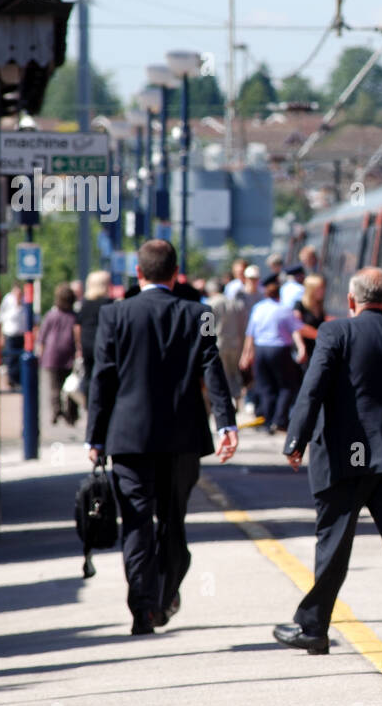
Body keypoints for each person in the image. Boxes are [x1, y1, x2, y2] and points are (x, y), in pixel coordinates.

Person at [273, 267, 382, 654]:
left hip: (341, 461)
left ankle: (313, 628)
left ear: (351, 301)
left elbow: (312, 387)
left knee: (332, 547)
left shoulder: (335, 333)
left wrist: (295, 439)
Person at [86, 239, 238, 635]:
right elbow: (213, 369)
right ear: (175, 275)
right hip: (182, 438)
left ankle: (143, 608)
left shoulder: (114, 315)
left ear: (138, 274)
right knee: (173, 521)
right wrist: (226, 424)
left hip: (129, 440)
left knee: (137, 523)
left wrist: (95, 438)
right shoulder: (198, 314)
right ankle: (166, 593)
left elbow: (102, 378)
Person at [240, 273, 304, 433]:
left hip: (261, 349)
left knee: (265, 386)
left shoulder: (258, 308)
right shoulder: (285, 310)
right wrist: (301, 347)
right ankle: (280, 420)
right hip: (280, 350)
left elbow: (250, 334)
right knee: (286, 386)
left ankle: (267, 421)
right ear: (279, 294)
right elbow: (296, 330)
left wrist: (246, 354)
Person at [36, 283, 79, 426]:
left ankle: (56, 410)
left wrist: (41, 353)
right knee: (71, 385)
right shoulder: (74, 317)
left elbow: (42, 336)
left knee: (54, 387)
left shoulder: (51, 315)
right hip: (69, 354)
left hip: (52, 355)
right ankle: (71, 414)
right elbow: (77, 336)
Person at [206, 277, 249, 407]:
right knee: (233, 373)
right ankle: (236, 399)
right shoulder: (233, 302)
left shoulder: (210, 303)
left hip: (218, 343)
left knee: (221, 374)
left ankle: (227, 402)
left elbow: (206, 328)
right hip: (235, 343)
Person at [75, 270, 113, 401]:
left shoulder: (84, 304)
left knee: (88, 374)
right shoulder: (109, 303)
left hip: (86, 343)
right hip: (102, 343)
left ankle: (88, 401)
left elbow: (77, 326)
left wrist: (79, 344)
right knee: (103, 374)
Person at [292, 274, 326, 366]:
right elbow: (296, 328)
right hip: (304, 350)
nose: (323, 291)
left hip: (316, 349)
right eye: (319, 288)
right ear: (311, 289)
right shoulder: (299, 305)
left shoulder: (320, 306)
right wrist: (301, 348)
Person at [0, 281, 25, 390]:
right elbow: (1, 318)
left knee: (20, 359)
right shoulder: (8, 300)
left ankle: (18, 381)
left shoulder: (25, 301)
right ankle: (11, 381)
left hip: (21, 335)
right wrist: (0, 336)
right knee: (10, 359)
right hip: (10, 335)